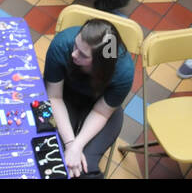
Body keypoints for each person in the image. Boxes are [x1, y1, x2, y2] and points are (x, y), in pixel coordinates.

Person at [44, 18, 134, 178]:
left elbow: (101, 113)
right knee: (51, 155)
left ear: (100, 63)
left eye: (83, 54)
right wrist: (71, 144)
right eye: (76, 45)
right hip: (64, 97)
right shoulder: (62, 43)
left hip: (101, 109)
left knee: (86, 169)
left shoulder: (123, 71)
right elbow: (54, 97)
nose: (73, 53)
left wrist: (77, 146)